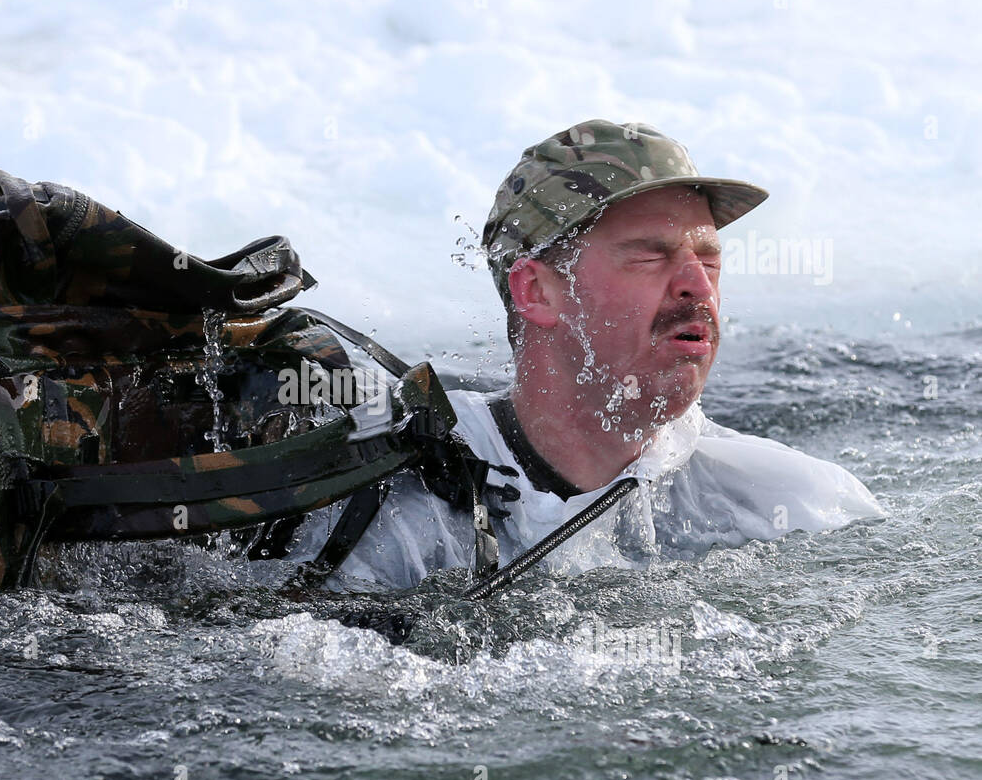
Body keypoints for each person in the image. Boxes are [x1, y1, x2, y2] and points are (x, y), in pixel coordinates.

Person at [286, 119, 884, 589]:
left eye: (708, 258)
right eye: (650, 256)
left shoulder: (793, 506)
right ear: (537, 291)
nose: (698, 288)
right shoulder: (387, 517)